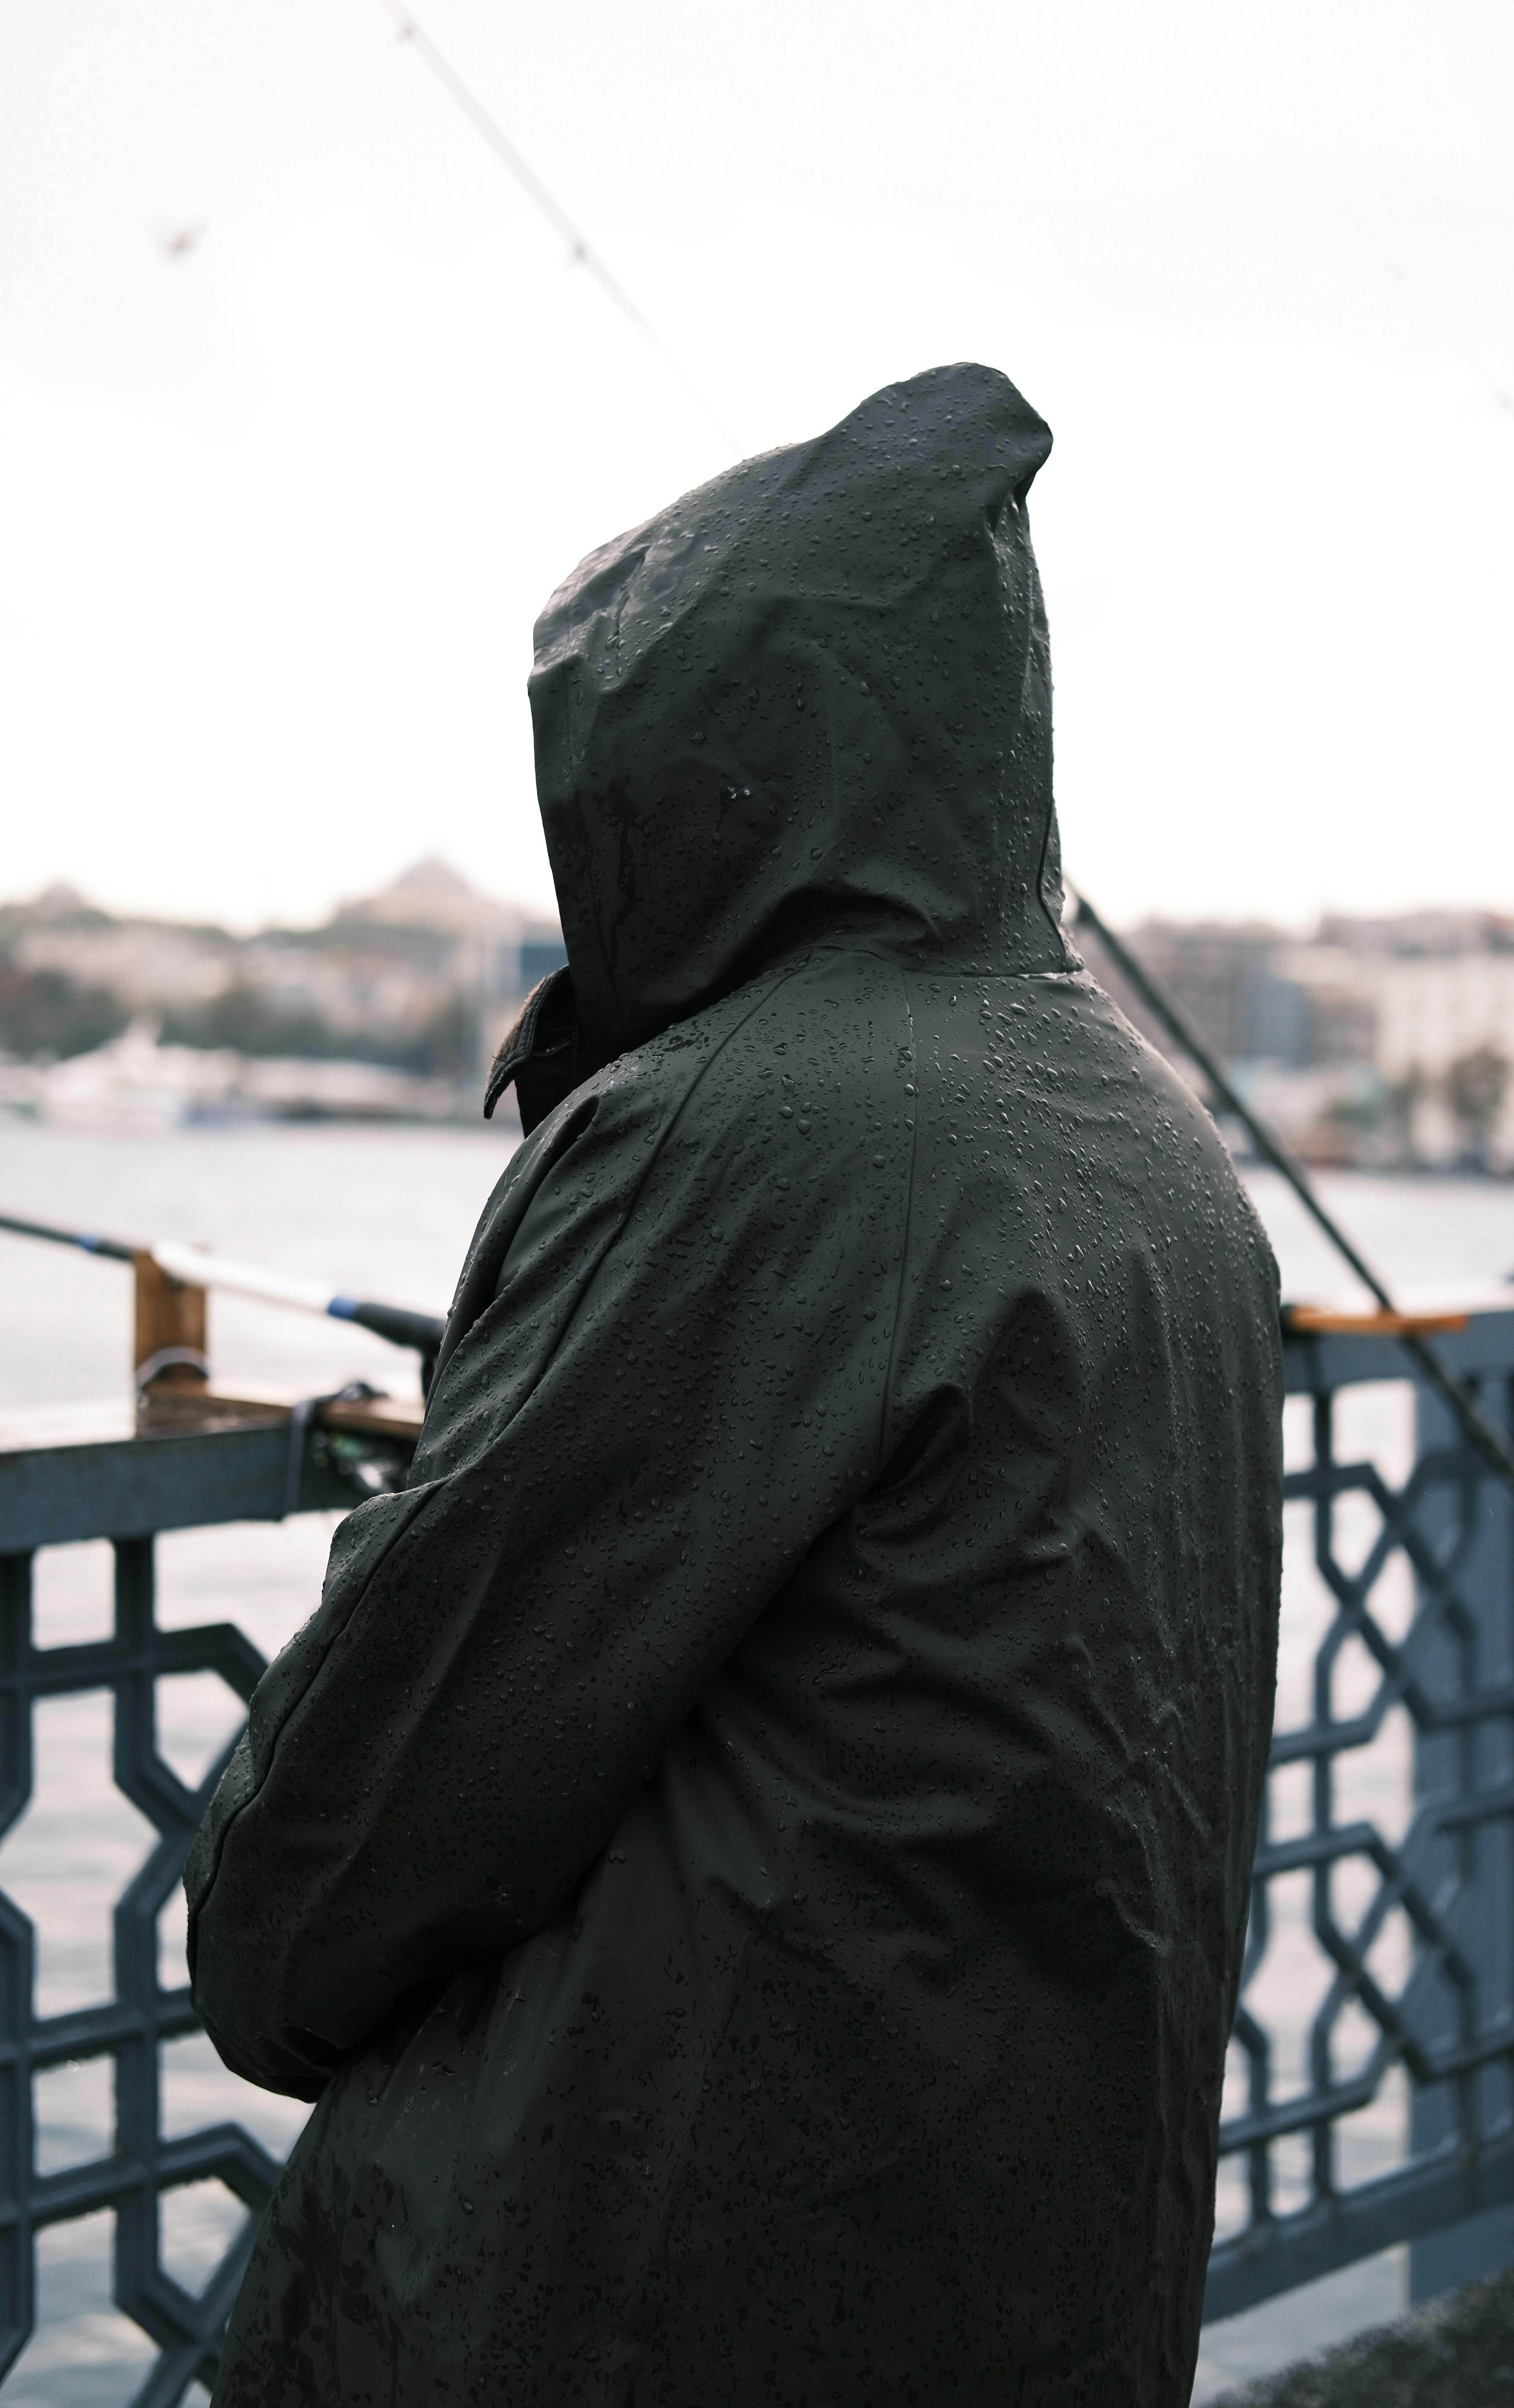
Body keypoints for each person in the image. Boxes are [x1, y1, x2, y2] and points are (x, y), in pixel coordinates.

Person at [187, 361, 1283, 2404]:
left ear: (705, 763)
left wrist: (249, 1935)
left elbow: (366, 1831)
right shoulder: (1152, 1144)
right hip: (1024, 2253)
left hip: (654, 2275)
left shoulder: (749, 1134)